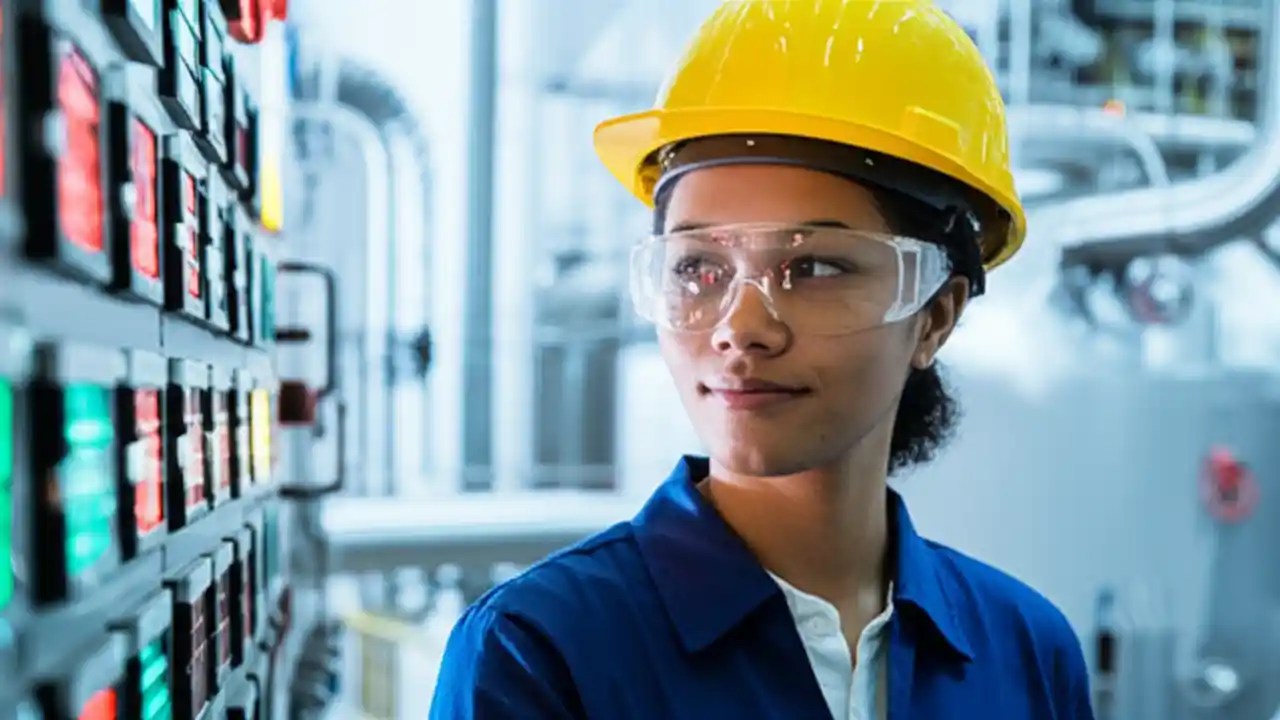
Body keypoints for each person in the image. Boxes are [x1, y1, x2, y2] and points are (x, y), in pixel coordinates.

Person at [431, 1, 1094, 718]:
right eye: (697, 268)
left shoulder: (1025, 652)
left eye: (815, 268)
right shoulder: (544, 652)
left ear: (935, 315)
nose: (740, 328)